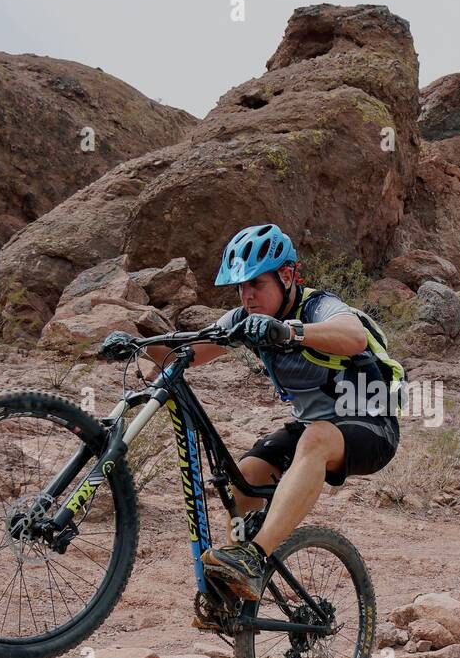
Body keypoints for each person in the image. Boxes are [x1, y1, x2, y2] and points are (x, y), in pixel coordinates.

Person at [140, 223, 402, 600]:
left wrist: (289, 332)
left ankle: (255, 555)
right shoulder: (242, 319)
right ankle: (234, 582)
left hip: (370, 425)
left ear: (287, 276)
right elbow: (188, 354)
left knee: (316, 438)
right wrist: (137, 343)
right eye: (240, 287)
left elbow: (353, 336)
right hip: (313, 427)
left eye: (256, 284)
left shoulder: (319, 306)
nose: (247, 296)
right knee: (243, 477)